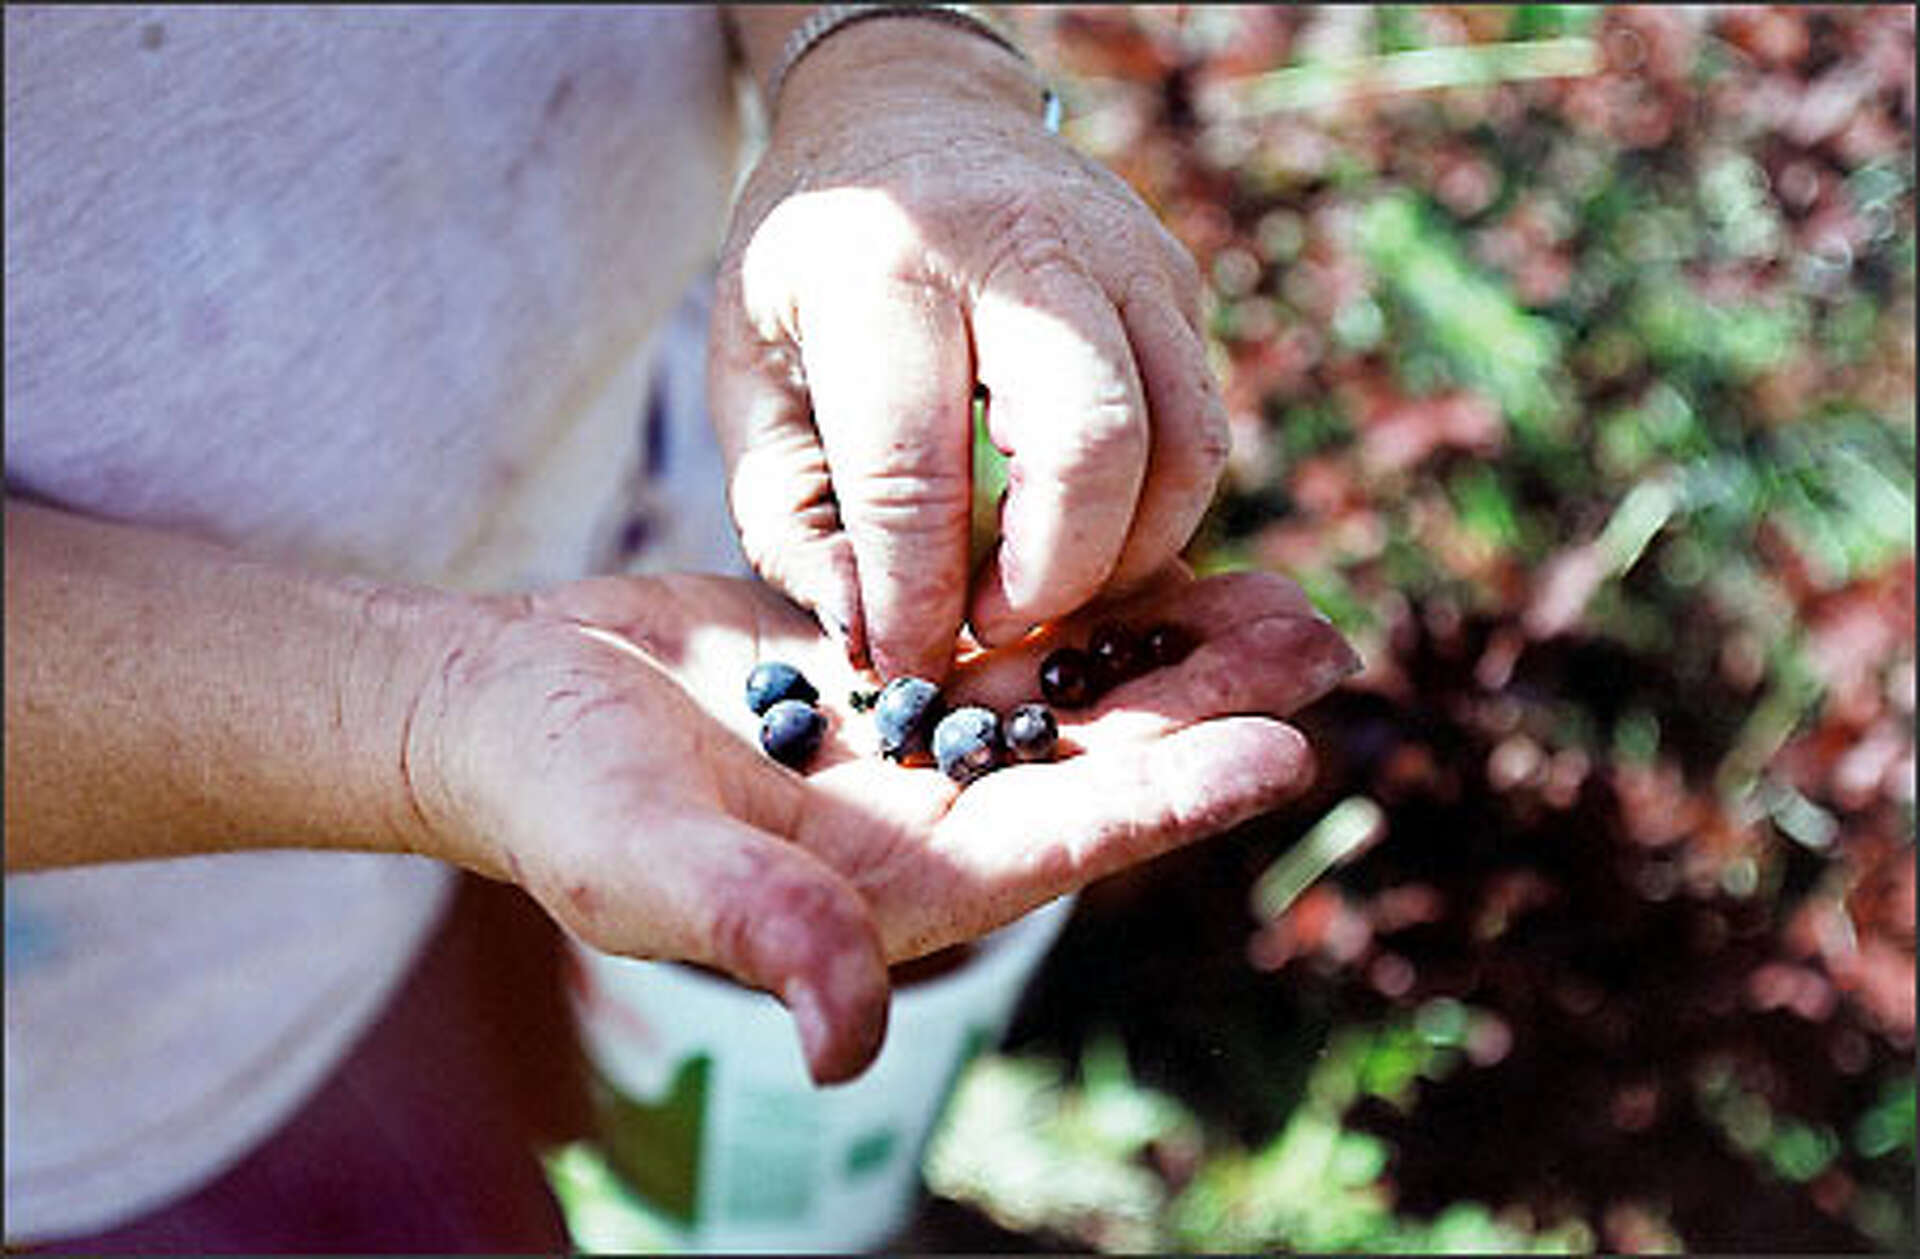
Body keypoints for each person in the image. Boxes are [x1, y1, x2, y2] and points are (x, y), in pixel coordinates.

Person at [3, 4, 1360, 1250]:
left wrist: (893, 65)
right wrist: (422, 723)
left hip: (647, 597)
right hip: (155, 980)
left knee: (657, 1064)